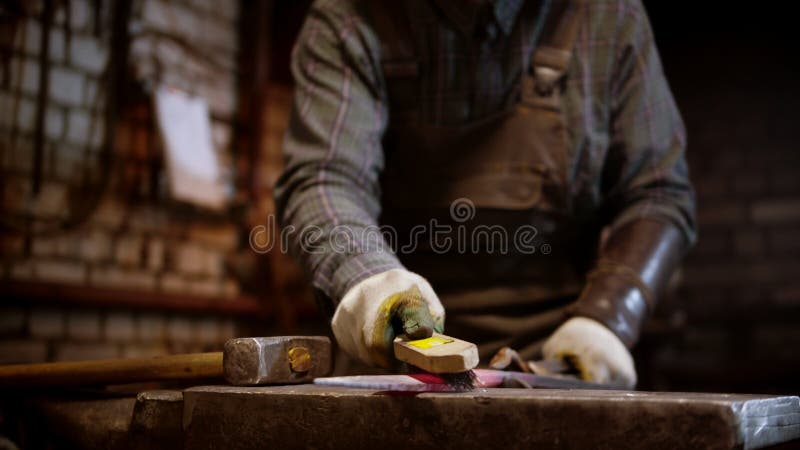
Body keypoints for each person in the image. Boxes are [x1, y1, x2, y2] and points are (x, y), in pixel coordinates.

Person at [275, 0, 696, 388]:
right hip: (394, 368)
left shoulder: (609, 16)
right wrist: (365, 279)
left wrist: (611, 315)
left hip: (559, 361)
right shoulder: (351, 16)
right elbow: (325, 178)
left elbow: (657, 191)